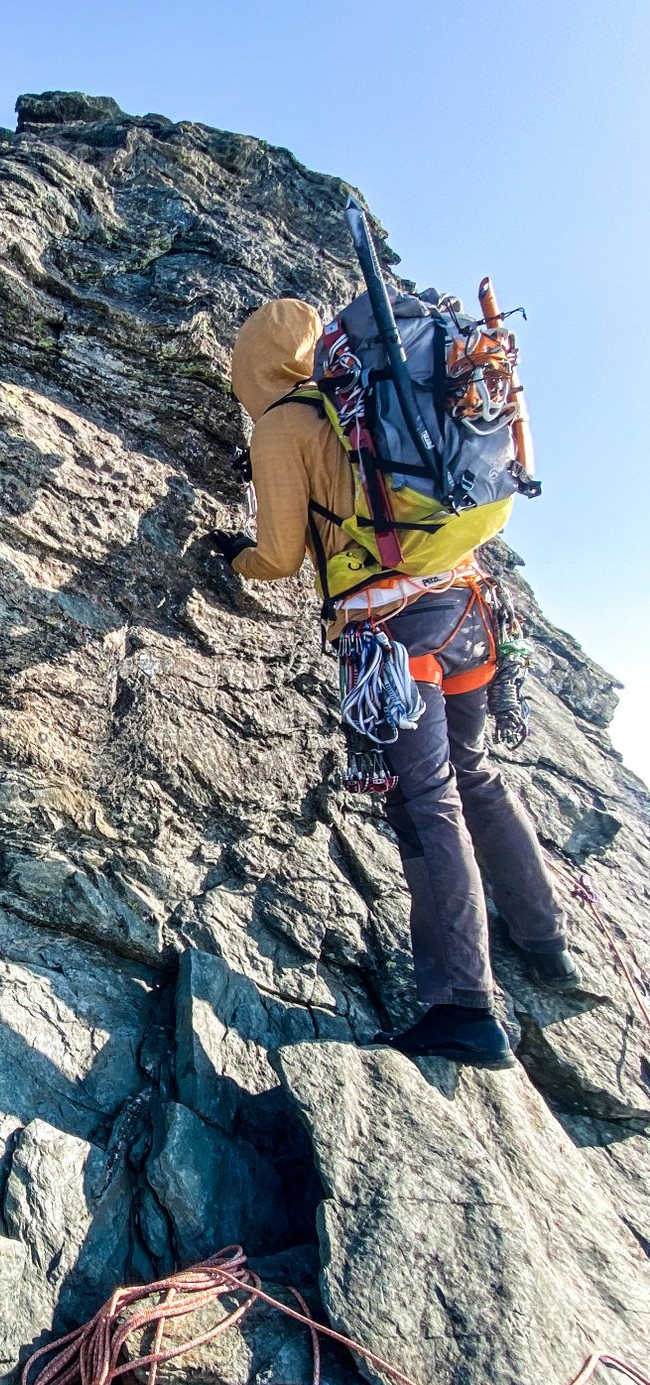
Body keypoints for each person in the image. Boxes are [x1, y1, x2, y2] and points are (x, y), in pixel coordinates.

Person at [210, 297, 578, 1069]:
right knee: (474, 773)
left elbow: (278, 558)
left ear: (251, 364)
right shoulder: (363, 402)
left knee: (425, 801)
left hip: (393, 638)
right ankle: (543, 939)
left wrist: (228, 556)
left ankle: (463, 1007)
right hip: (471, 609)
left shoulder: (284, 424)